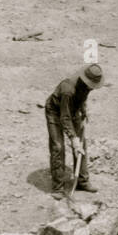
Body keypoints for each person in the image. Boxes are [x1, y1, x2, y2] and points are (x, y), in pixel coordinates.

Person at [44, 63, 103, 198]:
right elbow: (65, 117)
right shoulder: (68, 89)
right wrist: (73, 138)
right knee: (58, 146)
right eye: (91, 86)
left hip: (73, 109)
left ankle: (82, 181)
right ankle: (58, 187)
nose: (91, 89)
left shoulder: (87, 84)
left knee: (81, 146)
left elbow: (82, 98)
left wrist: (83, 110)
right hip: (55, 111)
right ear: (84, 80)